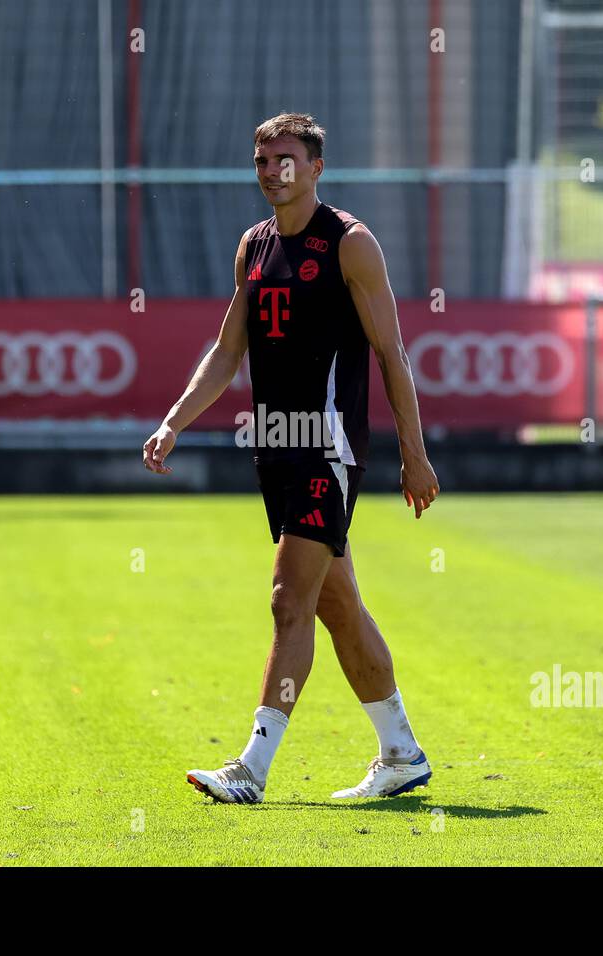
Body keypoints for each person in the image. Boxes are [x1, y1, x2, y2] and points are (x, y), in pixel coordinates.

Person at [142, 113, 440, 803]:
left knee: (287, 601)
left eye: (285, 158)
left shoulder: (351, 244)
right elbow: (227, 350)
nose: (272, 169)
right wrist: (173, 422)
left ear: (315, 168)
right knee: (337, 606)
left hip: (326, 444)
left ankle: (252, 767)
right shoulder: (254, 246)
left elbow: (393, 355)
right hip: (274, 444)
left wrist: (414, 456)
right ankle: (401, 752)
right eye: (261, 158)